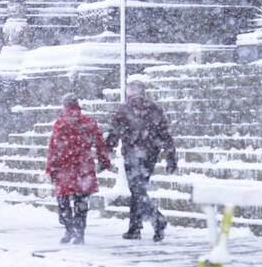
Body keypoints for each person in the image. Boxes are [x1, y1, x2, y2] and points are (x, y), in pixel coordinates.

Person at [105, 75, 178, 241]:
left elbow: (114, 133)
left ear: (130, 92)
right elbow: (164, 133)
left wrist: (106, 150)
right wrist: (170, 155)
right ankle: (134, 226)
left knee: (137, 190)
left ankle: (156, 219)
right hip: (150, 155)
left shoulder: (124, 109)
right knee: (138, 190)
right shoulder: (154, 109)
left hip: (132, 155)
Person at [45, 93, 112, 245]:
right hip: (84, 167)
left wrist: (50, 170)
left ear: (64, 106)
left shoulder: (60, 124)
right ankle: (80, 233)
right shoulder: (89, 122)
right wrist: (104, 161)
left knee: (63, 201)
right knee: (81, 202)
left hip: (65, 168)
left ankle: (69, 229)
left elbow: (53, 149)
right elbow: (100, 144)